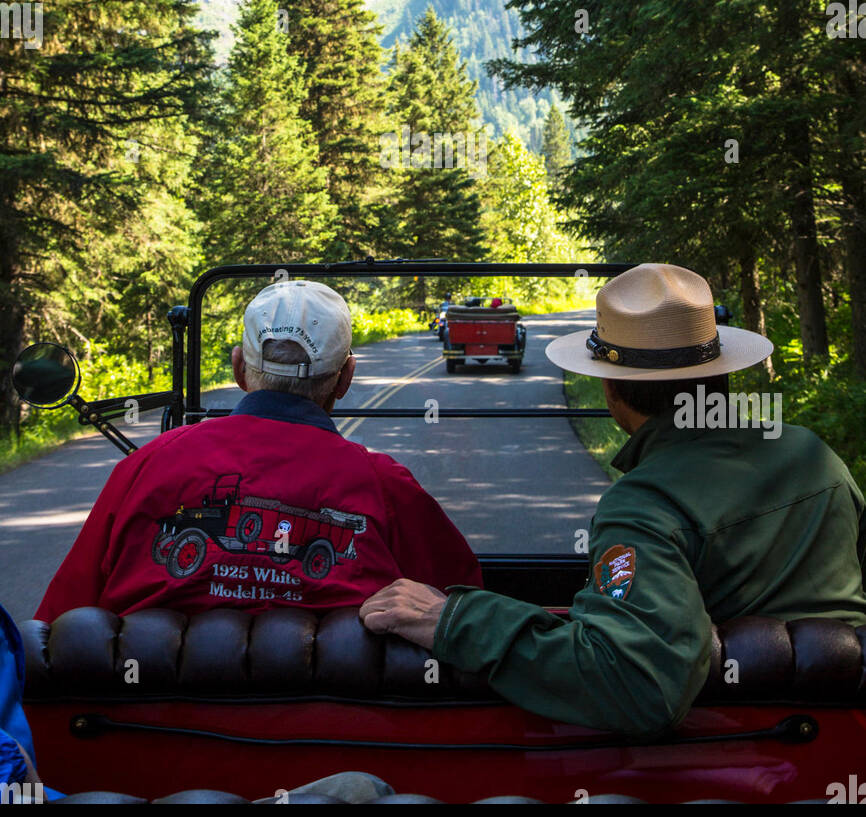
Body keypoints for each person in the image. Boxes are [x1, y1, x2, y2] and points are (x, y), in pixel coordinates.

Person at [360, 263, 866, 738]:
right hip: (840, 730)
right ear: (720, 372)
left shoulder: (645, 503)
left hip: (731, 742)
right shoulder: (813, 454)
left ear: (611, 390)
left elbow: (638, 683)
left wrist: (453, 620)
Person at [36, 280, 482, 621]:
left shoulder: (143, 468)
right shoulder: (387, 488)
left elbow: (58, 624)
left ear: (238, 369)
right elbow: (460, 613)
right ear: (345, 379)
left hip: (144, 733)